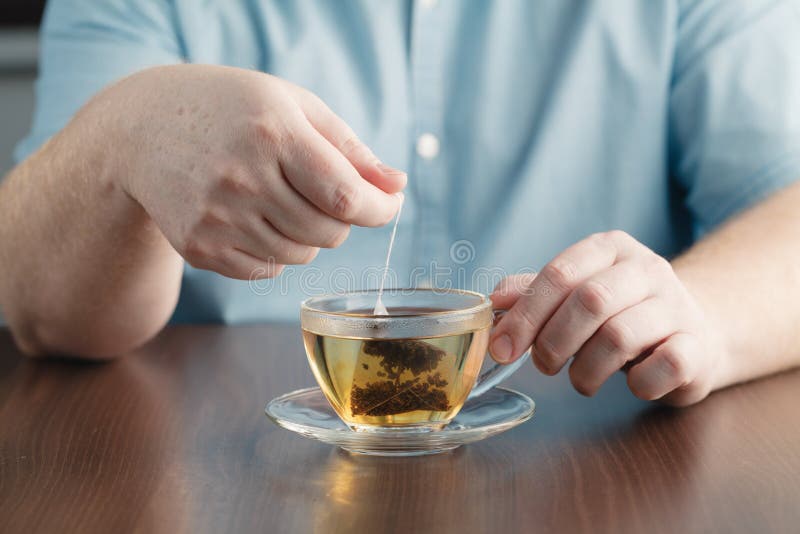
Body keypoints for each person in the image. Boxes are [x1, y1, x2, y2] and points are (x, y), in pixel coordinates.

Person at [1, 0, 799, 407]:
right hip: (213, 473)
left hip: (583, 460)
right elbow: (43, 309)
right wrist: (124, 137)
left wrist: (701, 315)